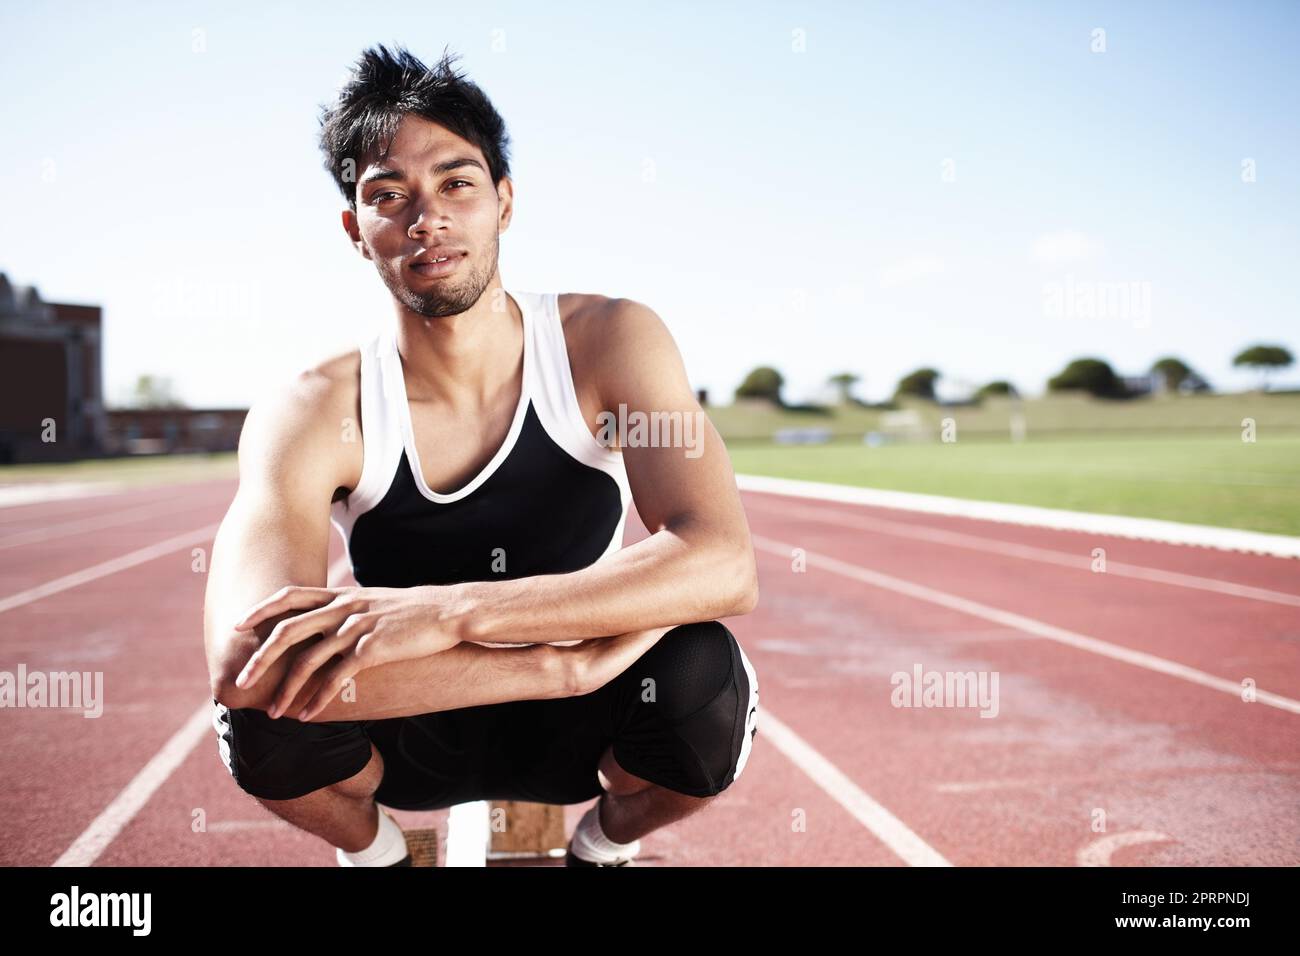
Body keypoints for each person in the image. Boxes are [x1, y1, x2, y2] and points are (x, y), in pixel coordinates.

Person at [202, 44, 760, 867]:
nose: (427, 217)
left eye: (456, 184)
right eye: (389, 196)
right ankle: (377, 853)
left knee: (702, 681)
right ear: (357, 231)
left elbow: (724, 562)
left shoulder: (607, 342)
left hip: (585, 713)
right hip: (419, 725)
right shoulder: (316, 407)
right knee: (264, 719)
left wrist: (449, 612)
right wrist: (547, 666)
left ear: (503, 201)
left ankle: (603, 846)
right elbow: (246, 665)